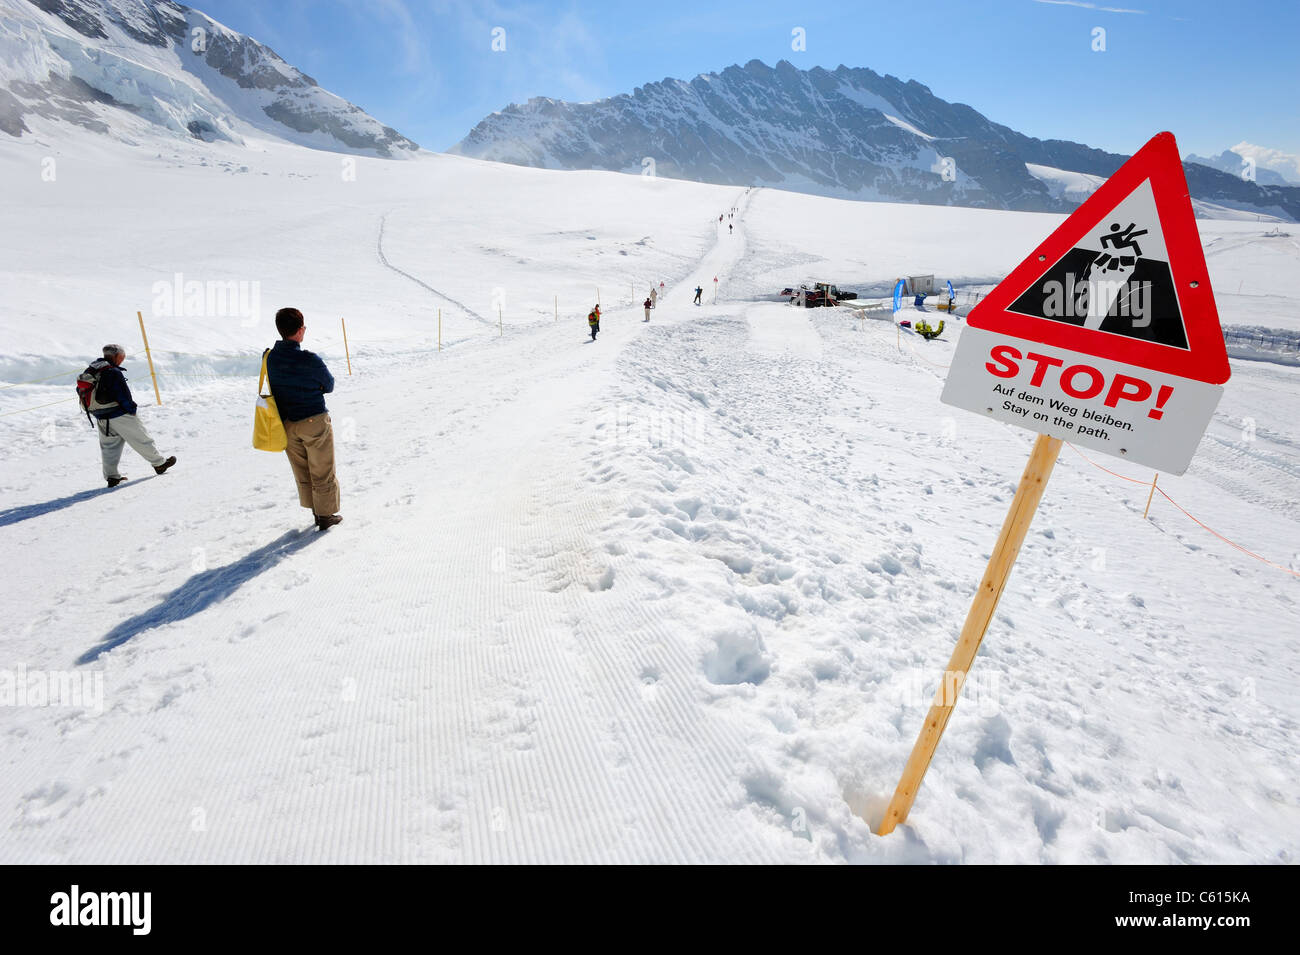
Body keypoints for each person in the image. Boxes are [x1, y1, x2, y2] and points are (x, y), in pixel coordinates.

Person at [266, 307, 341, 529]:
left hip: (287, 423)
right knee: (322, 469)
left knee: (303, 469)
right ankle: (326, 516)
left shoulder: (269, 357)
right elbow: (329, 385)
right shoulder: (310, 359)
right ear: (300, 331)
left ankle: (316, 512)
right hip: (314, 420)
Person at [84, 344, 176, 487]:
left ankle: (112, 477)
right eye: (122, 356)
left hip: (101, 415)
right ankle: (159, 464)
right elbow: (122, 394)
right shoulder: (112, 371)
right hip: (118, 413)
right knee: (141, 439)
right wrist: (131, 410)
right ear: (116, 356)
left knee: (109, 447)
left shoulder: (92, 369)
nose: (123, 359)